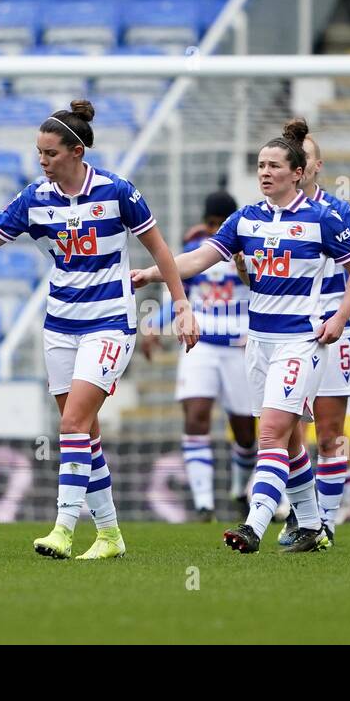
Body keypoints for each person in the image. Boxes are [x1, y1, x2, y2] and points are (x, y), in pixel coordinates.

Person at [0, 99, 198, 560]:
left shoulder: (116, 192)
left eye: (50, 153)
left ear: (75, 152)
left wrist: (182, 304)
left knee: (71, 423)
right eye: (38, 154)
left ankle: (63, 529)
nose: (43, 162)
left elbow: (162, 250)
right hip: (60, 326)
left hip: (109, 323)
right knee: (83, 433)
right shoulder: (35, 199)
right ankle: (110, 536)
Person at [132, 120, 350, 554]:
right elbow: (201, 257)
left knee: (272, 434)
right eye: (260, 165)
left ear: (297, 172)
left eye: (274, 165)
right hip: (257, 341)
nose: (264, 172)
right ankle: (312, 526)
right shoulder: (246, 218)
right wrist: (151, 272)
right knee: (292, 439)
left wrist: (340, 320)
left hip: (302, 341)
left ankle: (254, 523)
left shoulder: (324, 217)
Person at [275, 119, 350, 546]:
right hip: (285, 335)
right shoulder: (270, 214)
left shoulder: (338, 213)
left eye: (308, 155)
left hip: (332, 332)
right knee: (288, 428)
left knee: (330, 432)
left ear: (315, 166)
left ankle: (326, 522)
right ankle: (303, 514)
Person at [139, 187, 257, 522]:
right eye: (211, 223)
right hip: (200, 343)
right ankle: (204, 504)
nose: (216, 228)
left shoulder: (249, 252)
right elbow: (179, 295)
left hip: (240, 345)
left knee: (245, 430)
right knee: (196, 417)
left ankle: (237, 489)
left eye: (222, 223)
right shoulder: (195, 251)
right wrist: (153, 325)